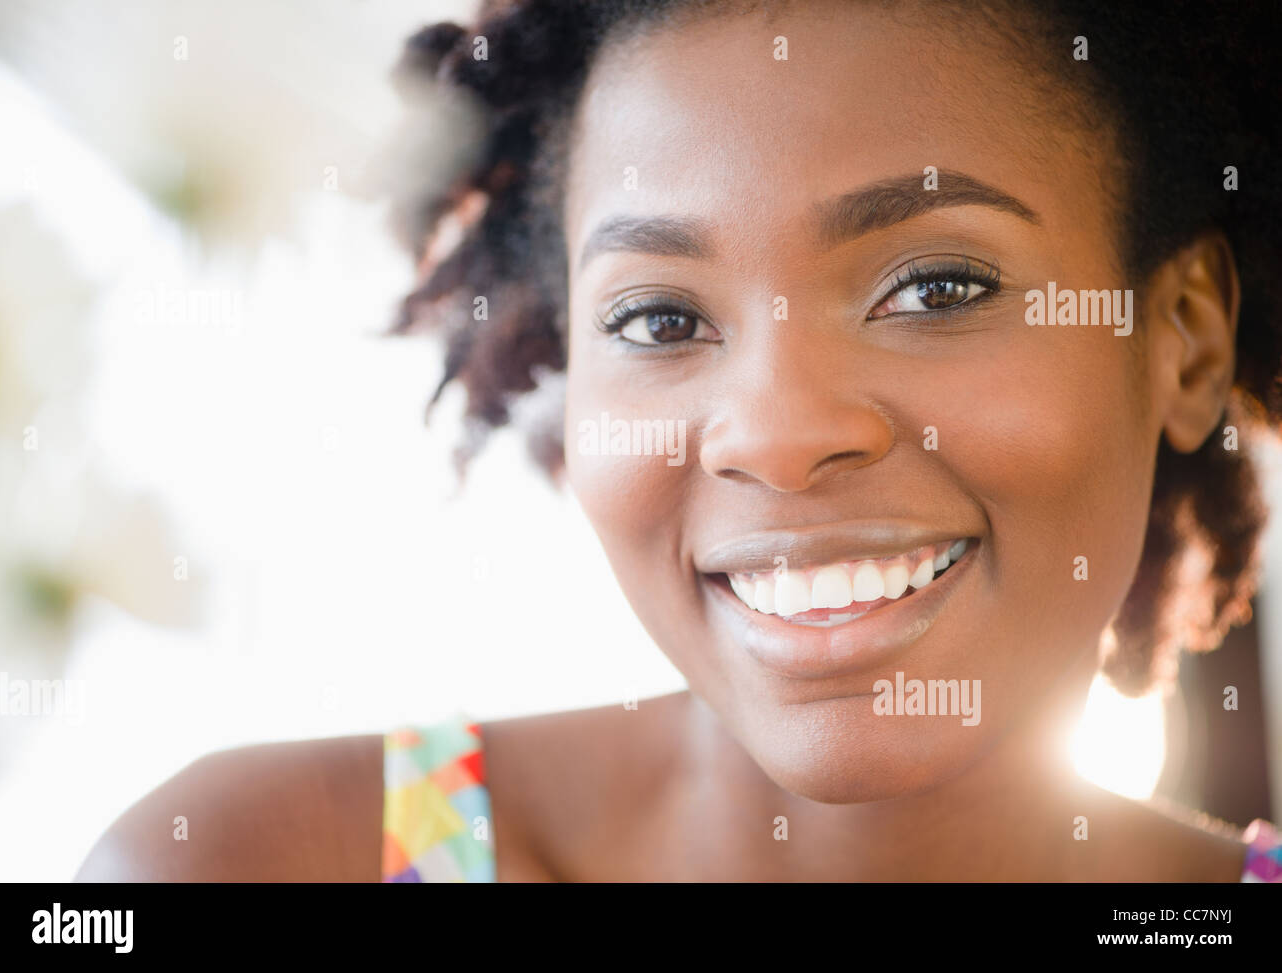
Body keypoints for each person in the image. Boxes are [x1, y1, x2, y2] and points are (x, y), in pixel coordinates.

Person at [78, 0, 1282, 882]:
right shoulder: (240, 864)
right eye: (658, 317)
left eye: (934, 288)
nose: (777, 434)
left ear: (1180, 341)